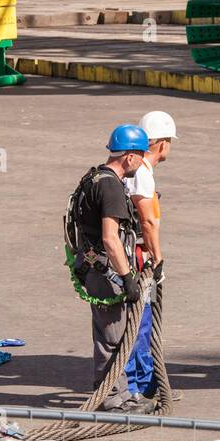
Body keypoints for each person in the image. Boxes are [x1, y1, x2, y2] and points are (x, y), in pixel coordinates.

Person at [66, 124, 150, 411]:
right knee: (112, 338)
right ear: (129, 156)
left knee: (109, 333)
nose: (141, 163)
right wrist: (127, 277)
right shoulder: (111, 186)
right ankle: (113, 400)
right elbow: (110, 238)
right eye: (140, 156)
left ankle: (120, 394)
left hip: (91, 267)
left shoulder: (92, 178)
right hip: (106, 271)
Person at [122, 110, 177, 409]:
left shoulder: (138, 171)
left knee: (140, 321)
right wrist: (158, 260)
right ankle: (137, 388)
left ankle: (145, 384)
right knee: (140, 323)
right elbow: (148, 223)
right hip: (140, 259)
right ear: (162, 144)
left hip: (135, 256)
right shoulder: (142, 174)